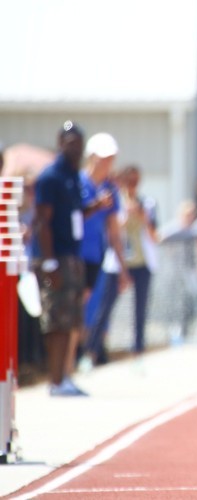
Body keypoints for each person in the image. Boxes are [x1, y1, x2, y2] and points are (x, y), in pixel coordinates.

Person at [31, 121, 111, 396]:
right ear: (60, 143)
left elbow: (74, 214)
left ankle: (64, 376)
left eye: (78, 143)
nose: (74, 148)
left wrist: (95, 207)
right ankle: (54, 380)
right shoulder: (50, 177)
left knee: (71, 321)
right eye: (69, 143)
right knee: (57, 320)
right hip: (56, 258)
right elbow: (43, 221)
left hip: (72, 255)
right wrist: (50, 262)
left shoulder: (74, 177)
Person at [85, 165, 159, 364]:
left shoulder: (147, 203)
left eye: (136, 180)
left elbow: (154, 236)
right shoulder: (115, 201)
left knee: (140, 308)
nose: (132, 184)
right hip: (118, 263)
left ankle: (138, 351)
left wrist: (143, 217)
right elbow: (112, 230)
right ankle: (90, 352)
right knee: (105, 307)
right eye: (129, 179)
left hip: (141, 262)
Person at [77, 133, 128, 370]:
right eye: (103, 158)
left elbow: (114, 231)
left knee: (91, 304)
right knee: (75, 305)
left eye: (111, 159)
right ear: (92, 157)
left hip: (96, 255)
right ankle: (73, 357)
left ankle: (85, 353)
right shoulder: (77, 182)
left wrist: (123, 268)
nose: (108, 163)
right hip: (73, 253)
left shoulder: (110, 189)